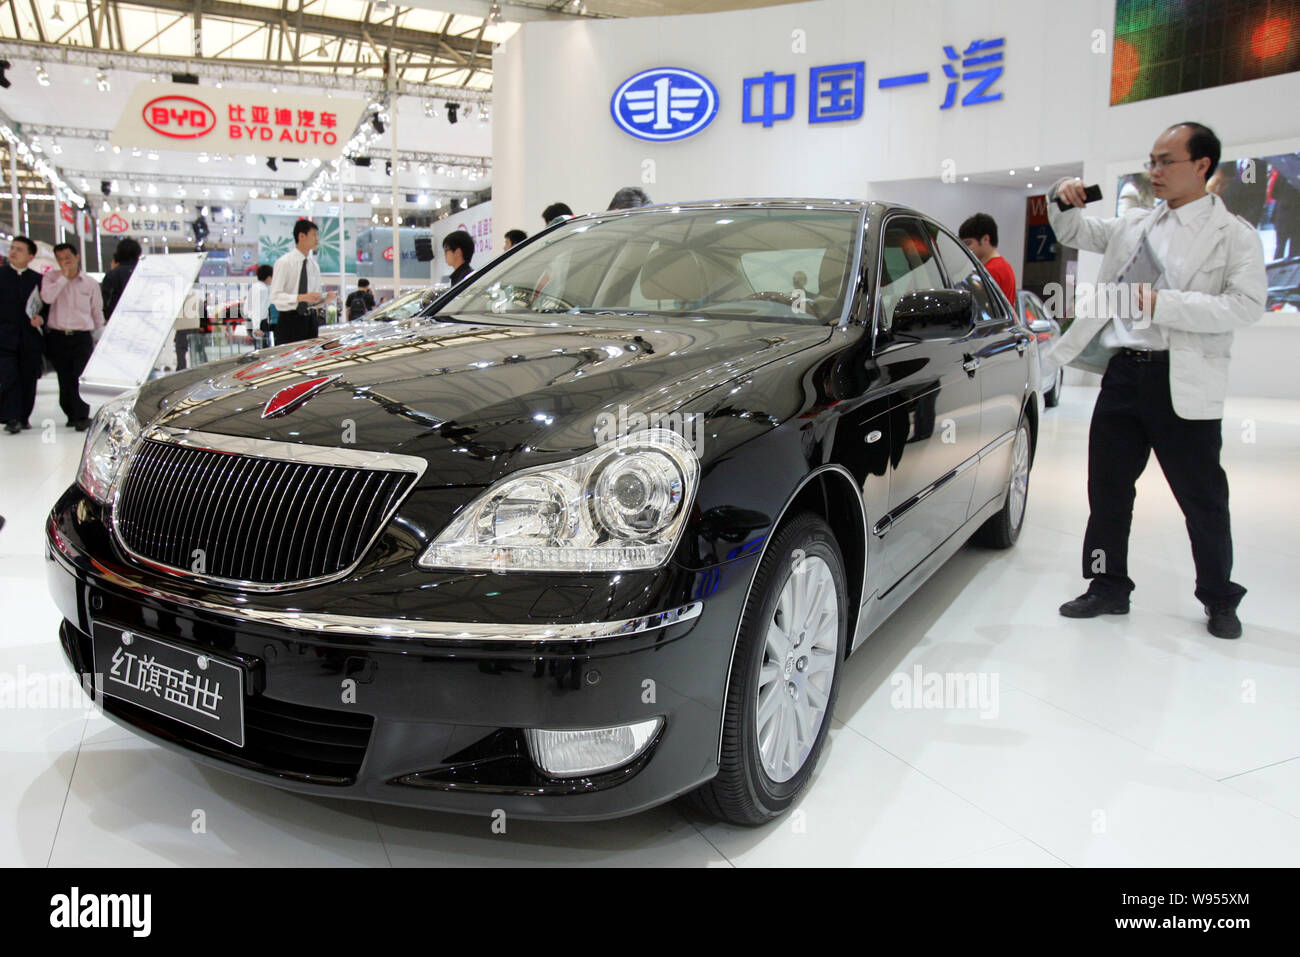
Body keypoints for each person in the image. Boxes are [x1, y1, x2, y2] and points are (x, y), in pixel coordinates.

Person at [1047, 122, 1267, 640]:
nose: (1155, 171)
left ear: (1202, 166)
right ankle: (1106, 586)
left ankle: (1218, 598)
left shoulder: (1235, 235)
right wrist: (1063, 200)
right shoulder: (1136, 224)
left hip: (1183, 379)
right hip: (1124, 375)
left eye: (1166, 161)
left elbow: (1246, 305)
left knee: (1203, 499)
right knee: (1107, 490)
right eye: (1152, 160)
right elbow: (1074, 232)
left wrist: (1162, 303)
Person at [41, 243, 104, 431]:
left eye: (67, 257)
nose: (64, 262)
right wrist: (63, 279)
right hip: (58, 336)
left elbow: (96, 310)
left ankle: (82, 416)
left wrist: (99, 335)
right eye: (60, 259)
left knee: (80, 376)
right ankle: (70, 413)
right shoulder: (51, 278)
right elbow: (47, 298)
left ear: (77, 257)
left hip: (82, 336)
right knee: (64, 377)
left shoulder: (90, 283)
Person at [0, 236, 44, 434]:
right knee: (9, 378)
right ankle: (12, 418)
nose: (13, 252)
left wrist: (40, 318)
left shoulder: (38, 280)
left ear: (30, 256)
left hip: (29, 339)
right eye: (12, 248)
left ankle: (23, 416)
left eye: (19, 249)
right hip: (4, 339)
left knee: (28, 378)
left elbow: (46, 308)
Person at [269, 219, 336, 343]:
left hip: (311, 320)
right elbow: (275, 296)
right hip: (290, 321)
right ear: (301, 236)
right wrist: (300, 298)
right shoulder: (284, 262)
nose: (317, 239)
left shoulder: (313, 266)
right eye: (314, 235)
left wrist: (324, 299)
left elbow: (312, 298)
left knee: (311, 360)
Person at [958, 212, 1017, 303]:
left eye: (968, 243)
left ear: (986, 239)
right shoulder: (1005, 266)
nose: (965, 249)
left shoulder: (991, 271)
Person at [100, 237, 141, 321]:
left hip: (117, 320)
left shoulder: (113, 274)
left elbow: (106, 300)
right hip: (142, 320)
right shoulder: (144, 273)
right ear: (138, 253)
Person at [245, 264, 274, 344]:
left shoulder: (255, 287)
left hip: (251, 321)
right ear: (269, 277)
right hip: (259, 323)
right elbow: (257, 309)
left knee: (258, 348)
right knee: (264, 348)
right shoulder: (262, 290)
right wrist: (256, 328)